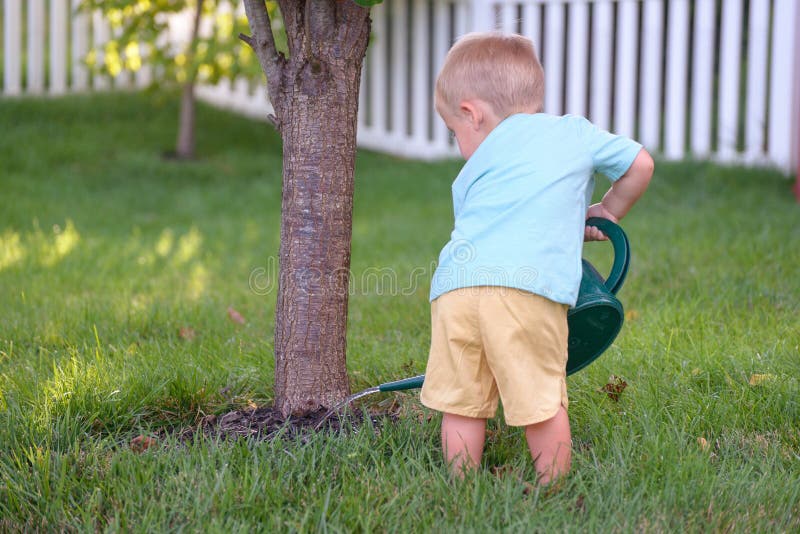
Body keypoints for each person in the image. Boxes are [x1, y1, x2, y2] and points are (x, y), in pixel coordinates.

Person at [419, 32, 654, 484]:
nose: (458, 144)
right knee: (541, 402)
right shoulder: (572, 133)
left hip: (455, 290)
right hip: (525, 292)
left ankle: (460, 487)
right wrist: (608, 210)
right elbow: (639, 164)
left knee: (462, 402)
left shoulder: (471, 175)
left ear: (473, 113)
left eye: (454, 132)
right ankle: (553, 490)